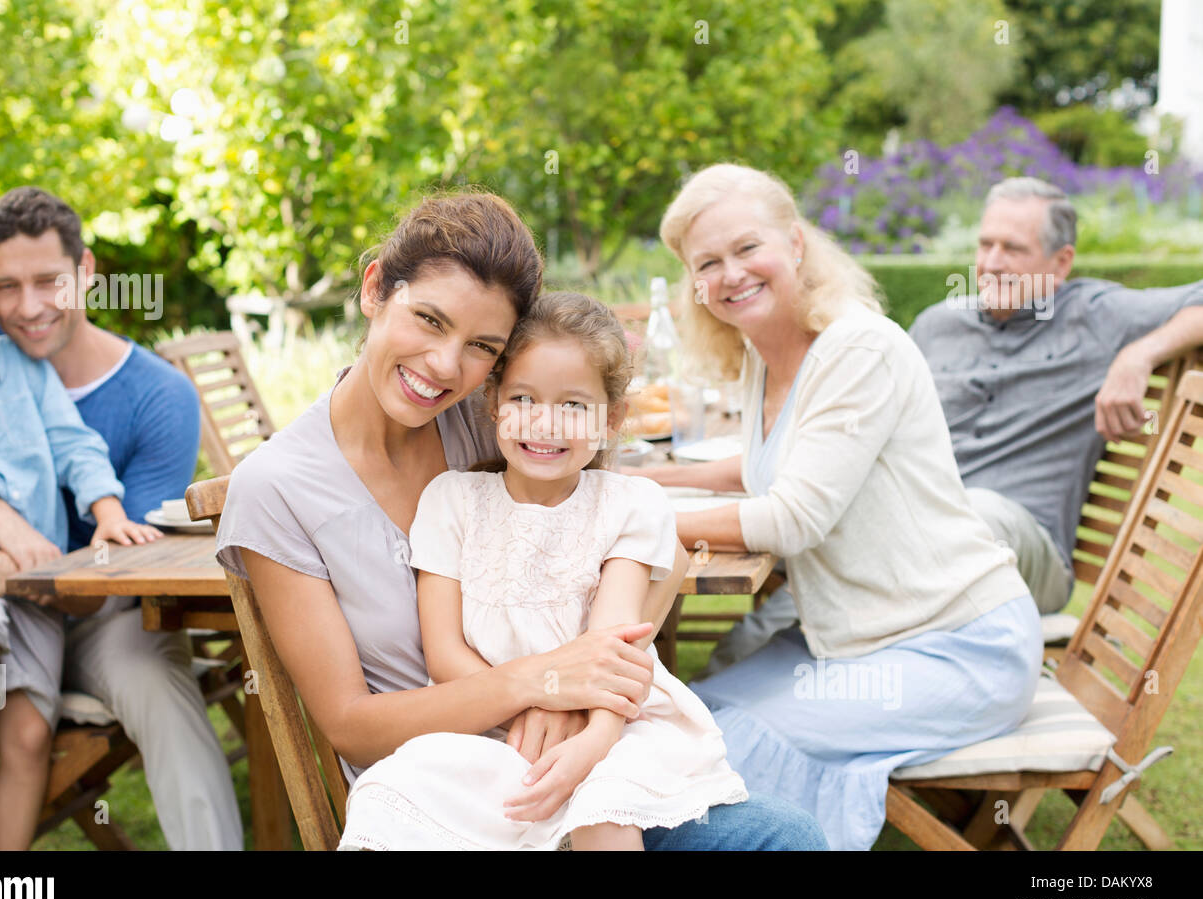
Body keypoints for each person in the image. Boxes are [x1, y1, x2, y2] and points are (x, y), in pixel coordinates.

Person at [215, 191, 826, 851]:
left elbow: (645, 543)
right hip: (449, 797)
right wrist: (540, 683)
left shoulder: (487, 418)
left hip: (573, 763)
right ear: (374, 290)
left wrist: (589, 701)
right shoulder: (276, 489)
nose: (445, 366)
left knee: (786, 836)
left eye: (481, 346)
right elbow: (350, 725)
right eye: (427, 319)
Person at [625, 163, 1041, 850]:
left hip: (960, 647)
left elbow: (791, 517)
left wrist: (630, 516)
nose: (730, 274)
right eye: (708, 263)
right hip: (860, 642)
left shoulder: (857, 347)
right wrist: (649, 479)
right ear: (694, 284)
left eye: (746, 248)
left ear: (794, 243)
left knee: (728, 739)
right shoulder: (770, 350)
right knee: (695, 711)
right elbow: (769, 465)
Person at [704, 176, 1203, 674]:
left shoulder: (1098, 316)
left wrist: (1139, 355)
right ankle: (745, 671)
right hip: (916, 534)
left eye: (1013, 248)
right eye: (986, 244)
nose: (991, 262)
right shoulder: (938, 325)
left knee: (960, 516)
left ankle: (749, 667)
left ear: (1061, 264)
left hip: (1019, 541)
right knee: (844, 522)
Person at [337, 292, 748, 850]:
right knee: (392, 789)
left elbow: (615, 650)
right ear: (494, 404)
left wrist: (590, 742)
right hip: (485, 724)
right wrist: (533, 701)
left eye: (573, 405)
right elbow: (444, 652)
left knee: (606, 806)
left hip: (607, 722)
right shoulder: (452, 502)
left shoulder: (627, 506)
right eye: (524, 398)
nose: (545, 423)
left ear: (614, 416)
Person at [0, 188, 243, 851]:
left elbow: (127, 565)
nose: (27, 308)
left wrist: (8, 568)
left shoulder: (157, 395)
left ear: (85, 272)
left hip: (100, 617)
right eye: (6, 287)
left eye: (48, 282)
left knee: (161, 686)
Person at [0, 238, 157, 850]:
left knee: (28, 736)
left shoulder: (21, 371)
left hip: (34, 595)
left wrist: (108, 510)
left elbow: (75, 445)